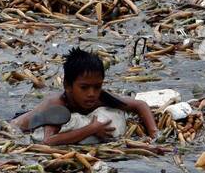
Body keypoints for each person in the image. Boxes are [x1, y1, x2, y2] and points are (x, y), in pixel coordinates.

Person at [12, 48, 157, 145]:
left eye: (97, 86)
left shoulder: (101, 97)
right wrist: (91, 129)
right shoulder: (58, 105)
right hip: (16, 128)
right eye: (84, 87)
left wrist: (154, 136)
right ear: (68, 86)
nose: (92, 94)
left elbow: (140, 105)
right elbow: (48, 141)